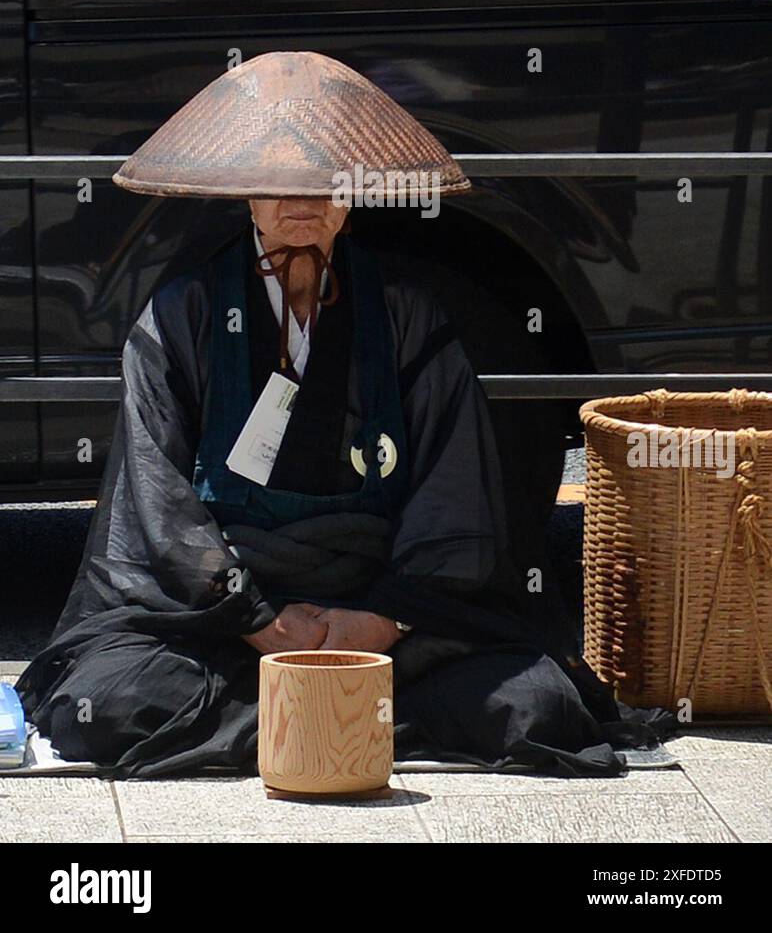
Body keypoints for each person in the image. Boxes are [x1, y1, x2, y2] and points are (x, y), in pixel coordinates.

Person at [17, 52, 674, 778]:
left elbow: (453, 490)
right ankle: (350, 712)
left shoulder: (406, 314)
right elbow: (159, 501)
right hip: (227, 613)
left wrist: (376, 622)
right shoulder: (183, 314)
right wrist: (261, 623)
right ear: (244, 196)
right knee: (112, 701)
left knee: (536, 706)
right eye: (278, 181)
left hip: (378, 594)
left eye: (325, 181)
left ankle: (309, 709)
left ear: (351, 196)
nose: (303, 200)